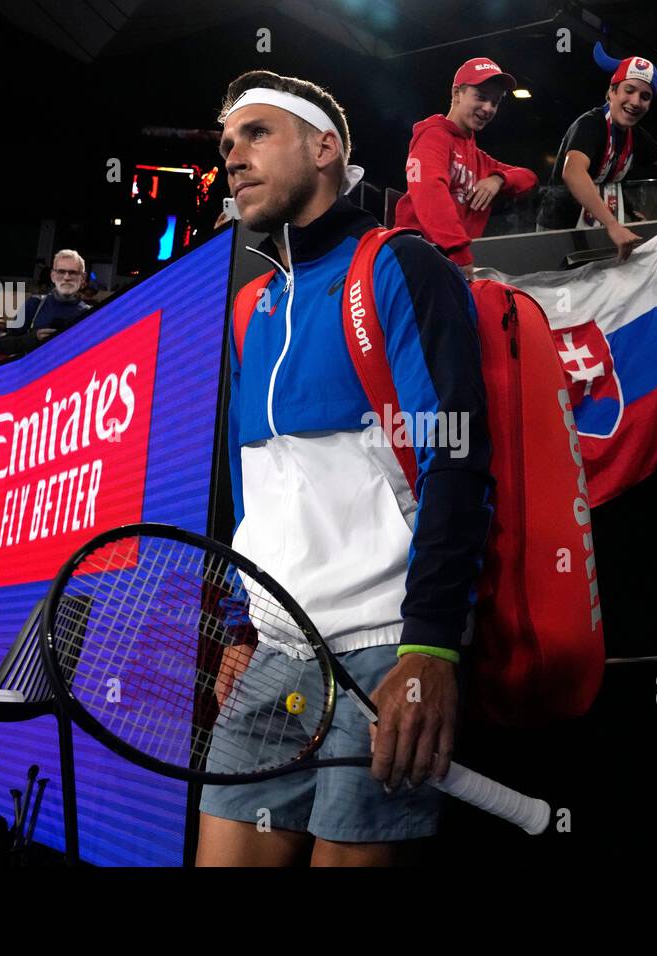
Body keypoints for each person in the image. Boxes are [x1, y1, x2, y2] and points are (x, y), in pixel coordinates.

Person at [201, 69, 492, 867]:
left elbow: (458, 462)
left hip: (383, 650)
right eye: (228, 145)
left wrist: (429, 649)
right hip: (271, 653)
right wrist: (237, 627)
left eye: (257, 134)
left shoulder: (401, 267)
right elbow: (249, 485)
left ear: (324, 148)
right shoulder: (247, 307)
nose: (234, 156)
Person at [536, 51, 657, 259]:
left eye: (645, 96)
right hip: (561, 230)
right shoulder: (590, 124)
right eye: (629, 90)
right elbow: (572, 173)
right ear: (611, 91)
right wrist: (612, 224)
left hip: (600, 228)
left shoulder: (634, 135)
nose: (636, 102)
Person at [393, 57, 538, 278]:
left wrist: (497, 180)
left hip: (448, 265)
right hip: (413, 262)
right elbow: (429, 192)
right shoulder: (433, 136)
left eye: (496, 102)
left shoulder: (480, 160)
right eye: (480, 97)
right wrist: (459, 253)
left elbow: (529, 178)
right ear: (456, 94)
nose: (488, 108)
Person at [0, 249, 91, 357]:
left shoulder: (90, 314)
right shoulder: (35, 304)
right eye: (61, 272)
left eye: (73, 273)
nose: (66, 277)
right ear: (53, 276)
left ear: (83, 278)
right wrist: (34, 338)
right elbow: (3, 344)